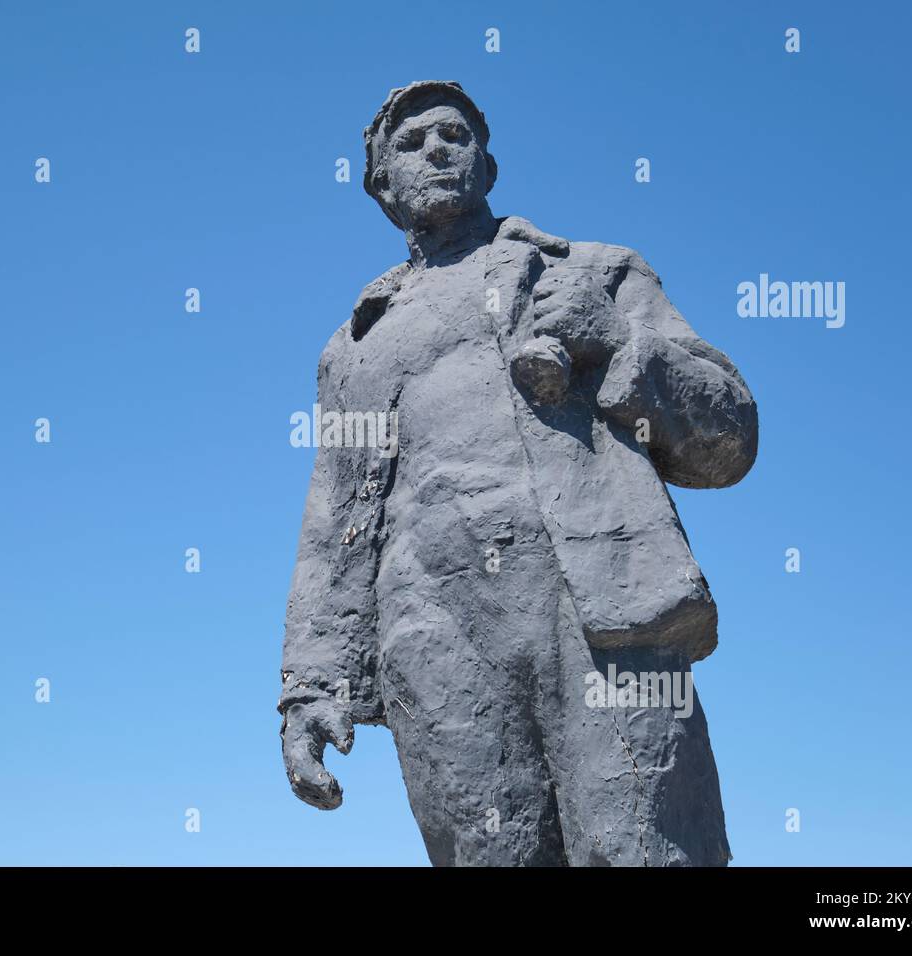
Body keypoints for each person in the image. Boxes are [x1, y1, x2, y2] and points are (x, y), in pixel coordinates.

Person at [278, 81, 758, 866]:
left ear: (489, 166)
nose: (437, 149)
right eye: (411, 144)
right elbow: (334, 515)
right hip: (432, 636)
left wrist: (616, 342)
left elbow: (730, 436)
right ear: (382, 190)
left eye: (455, 135)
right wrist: (312, 681)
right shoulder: (355, 348)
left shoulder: (594, 273)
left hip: (599, 609)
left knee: (648, 849)